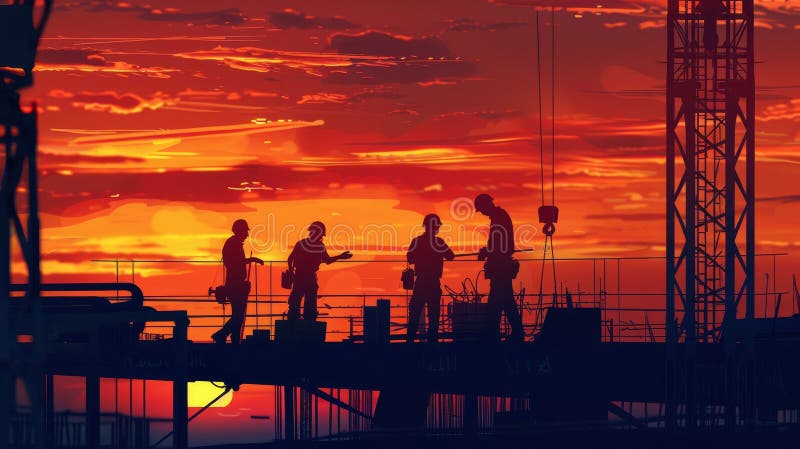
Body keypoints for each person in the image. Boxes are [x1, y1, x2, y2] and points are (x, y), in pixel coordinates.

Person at [474, 194, 524, 342]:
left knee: (501, 302)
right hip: (501, 266)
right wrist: (487, 251)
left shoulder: (498, 218)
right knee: (499, 301)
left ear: (486, 205)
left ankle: (502, 334)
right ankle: (496, 333)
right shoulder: (499, 217)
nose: (482, 213)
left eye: (482, 209)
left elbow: (498, 244)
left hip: (500, 267)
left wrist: (486, 252)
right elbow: (498, 244)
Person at [287, 221, 352, 321]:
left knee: (295, 305)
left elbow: (290, 258)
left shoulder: (301, 244)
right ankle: (308, 323)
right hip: (309, 278)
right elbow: (327, 260)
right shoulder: (319, 246)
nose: (321, 237)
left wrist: (291, 270)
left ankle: (294, 322)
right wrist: (340, 257)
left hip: (299, 277)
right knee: (310, 307)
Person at [212, 219, 263, 344]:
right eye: (245, 231)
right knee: (238, 315)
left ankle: (234, 338)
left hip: (236, 284)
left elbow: (236, 262)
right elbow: (236, 262)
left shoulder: (233, 243)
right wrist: (253, 259)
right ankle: (221, 335)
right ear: (240, 231)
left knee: (238, 314)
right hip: (235, 285)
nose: (247, 234)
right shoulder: (233, 244)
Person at [406, 214, 455, 343]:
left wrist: (421, 255)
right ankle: (432, 342)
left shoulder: (417, 241)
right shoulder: (439, 242)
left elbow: (410, 258)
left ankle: (410, 341)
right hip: (433, 283)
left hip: (421, 282)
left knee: (415, 312)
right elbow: (451, 256)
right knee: (434, 315)